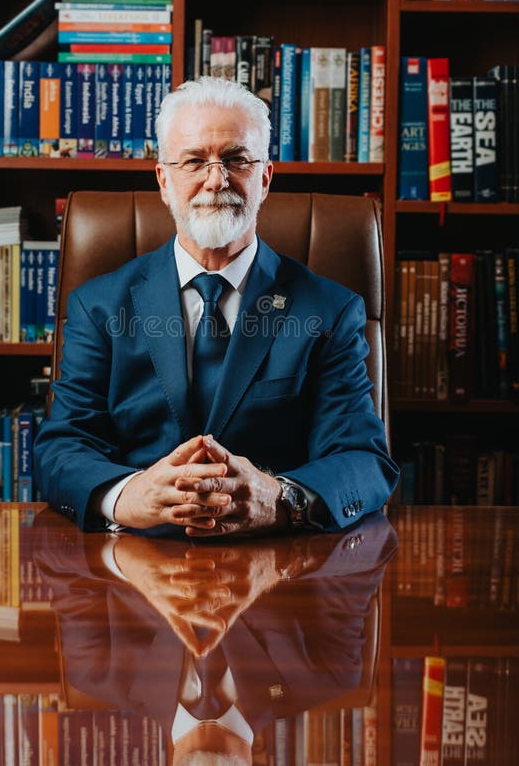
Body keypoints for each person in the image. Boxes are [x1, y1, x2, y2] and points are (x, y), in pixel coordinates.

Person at [34, 77, 398, 534]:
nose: (215, 180)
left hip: (278, 570)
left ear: (264, 178)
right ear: (164, 181)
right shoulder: (99, 307)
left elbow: (364, 460)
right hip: (132, 564)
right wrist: (126, 496)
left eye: (236, 159)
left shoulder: (329, 310)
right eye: (193, 161)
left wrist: (280, 498)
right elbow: (60, 448)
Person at [33, 507, 398, 764]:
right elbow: (364, 546)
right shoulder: (328, 673)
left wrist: (127, 517)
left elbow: (54, 546)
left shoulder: (95, 670)